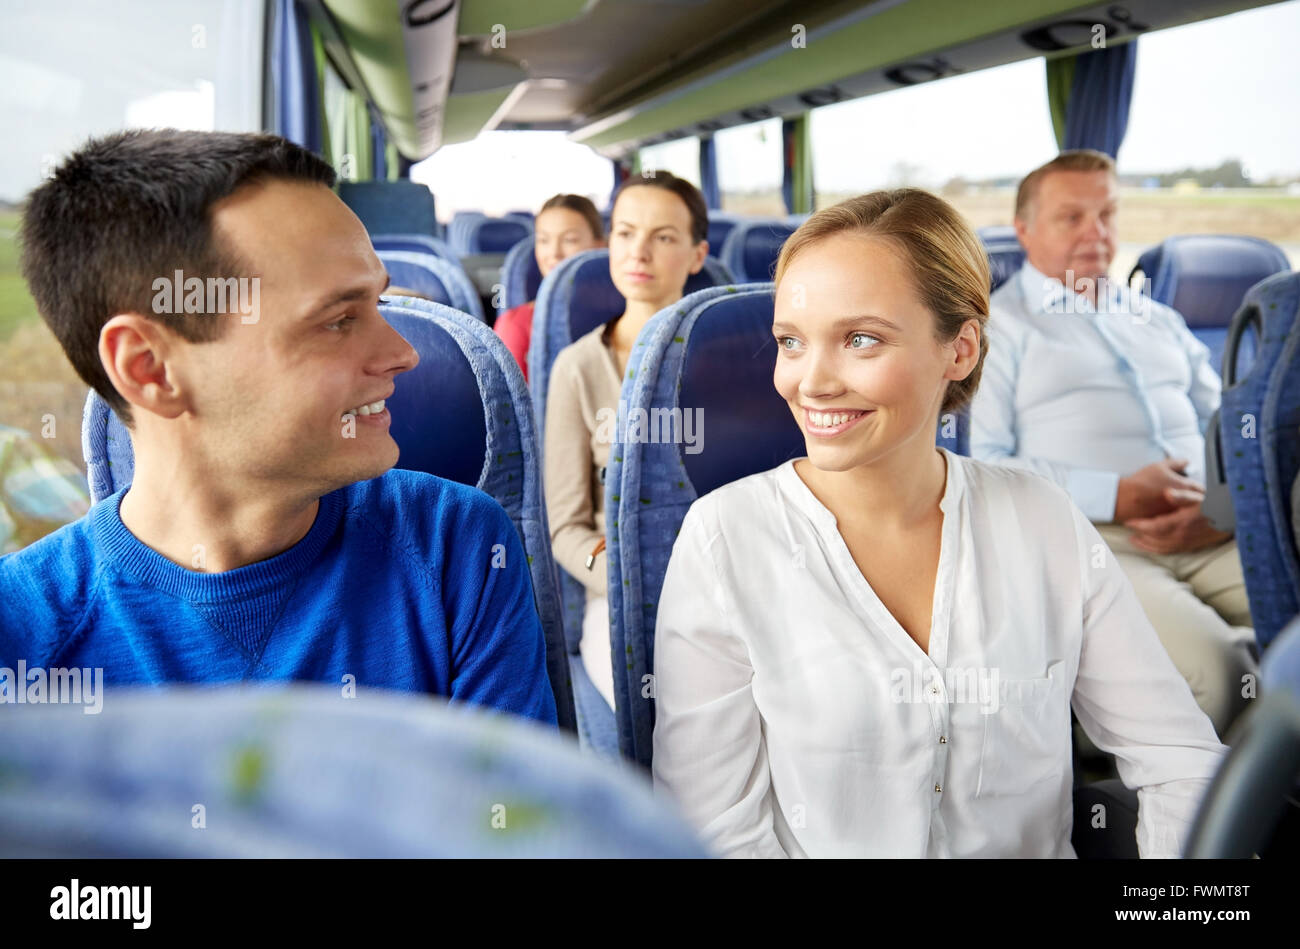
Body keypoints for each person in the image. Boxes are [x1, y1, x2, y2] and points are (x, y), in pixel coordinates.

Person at [651, 189, 1225, 858]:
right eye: (791, 342)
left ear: (959, 350)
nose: (812, 381)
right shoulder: (724, 540)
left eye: (860, 339)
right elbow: (713, 833)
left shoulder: (1043, 521)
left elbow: (1180, 759)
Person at [0, 129, 556, 726]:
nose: (403, 353)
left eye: (378, 305)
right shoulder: (24, 637)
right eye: (339, 320)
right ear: (150, 369)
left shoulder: (456, 547)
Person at [969, 149, 1258, 737]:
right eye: (1071, 217)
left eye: (1107, 214)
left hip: (1212, 528)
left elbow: (1228, 426)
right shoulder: (997, 331)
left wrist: (1221, 509)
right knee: (1220, 674)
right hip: (1096, 544)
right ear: (1023, 228)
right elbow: (985, 466)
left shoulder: (1160, 319)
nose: (1096, 233)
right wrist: (1116, 494)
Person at [544, 171, 709, 707]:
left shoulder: (731, 357)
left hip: (728, 586)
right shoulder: (577, 368)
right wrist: (622, 577)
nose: (639, 251)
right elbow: (565, 527)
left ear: (696, 254)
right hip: (619, 597)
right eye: (624, 232)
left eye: (663, 237)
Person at [494, 194, 605, 381]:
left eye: (569, 240)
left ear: (599, 246)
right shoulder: (516, 325)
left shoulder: (624, 314)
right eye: (544, 240)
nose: (554, 253)